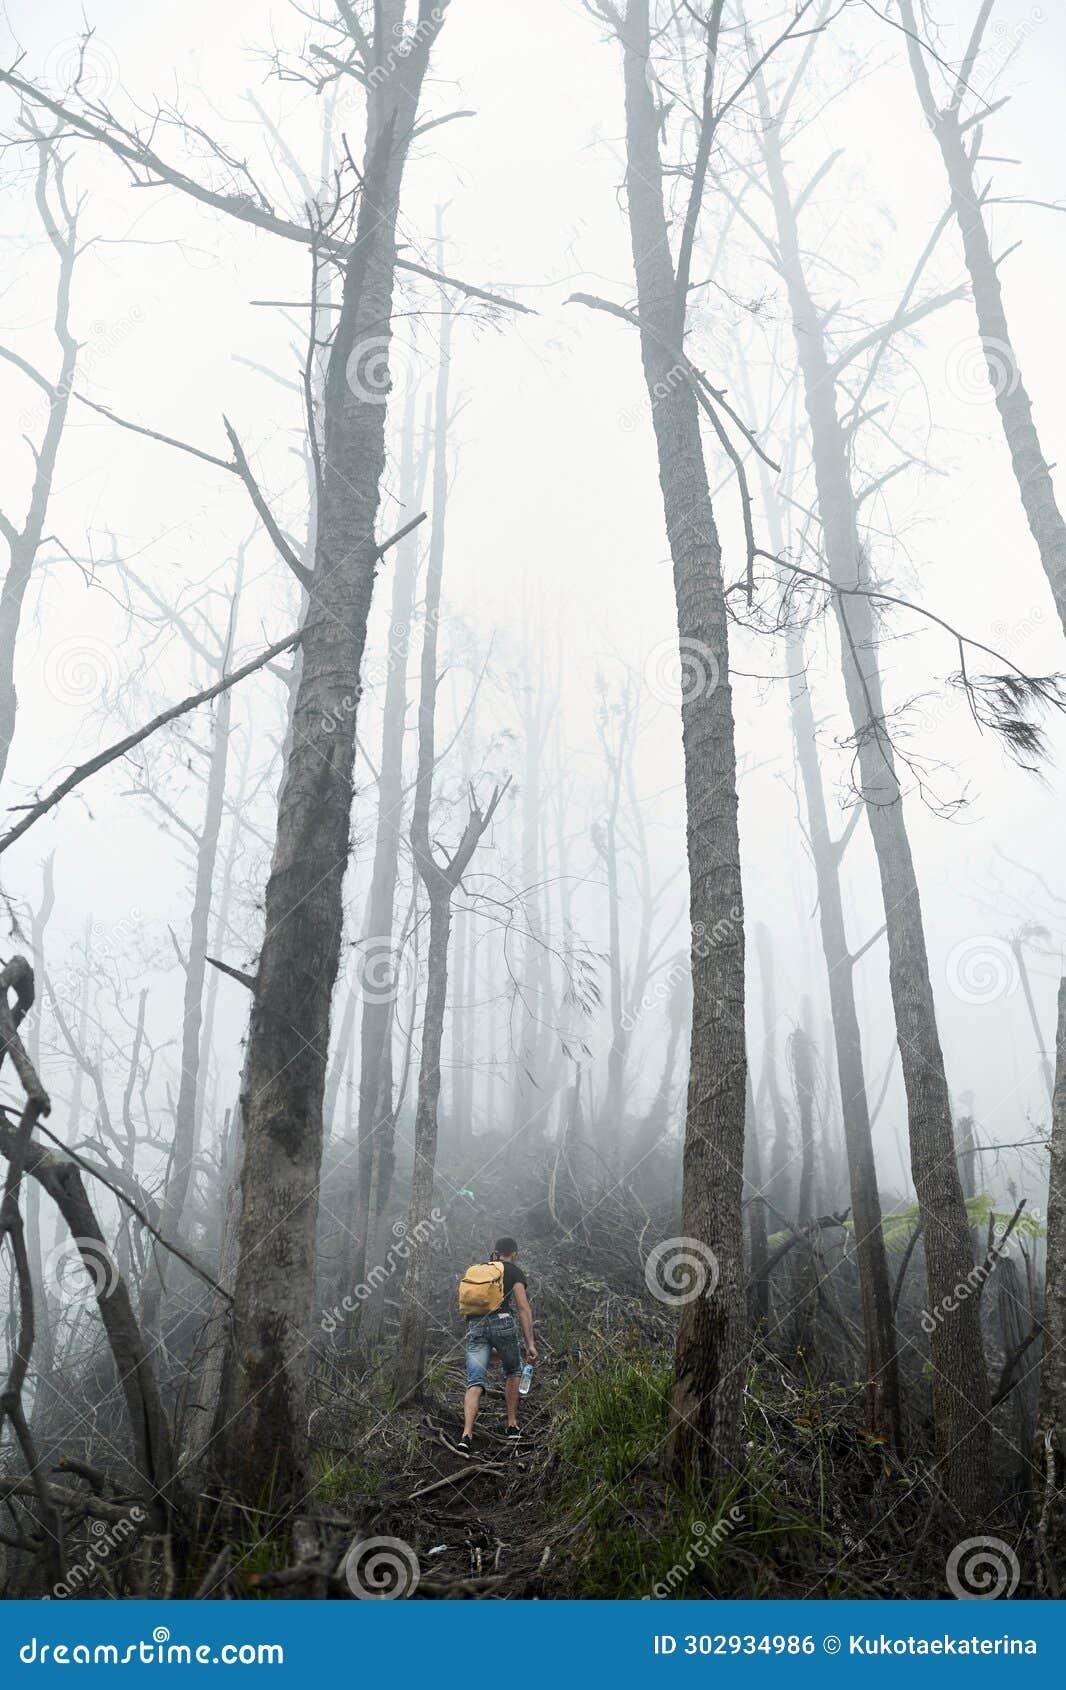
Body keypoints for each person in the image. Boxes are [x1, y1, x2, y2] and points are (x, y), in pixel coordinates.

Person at [458, 1237, 536, 1456]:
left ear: (495, 1252)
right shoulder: (513, 1271)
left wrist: (481, 1338)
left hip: (476, 1325)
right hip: (502, 1322)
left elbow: (470, 1308)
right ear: (514, 1253)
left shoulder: (482, 1270)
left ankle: (466, 1435)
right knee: (512, 1371)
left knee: (474, 1381)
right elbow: (522, 1307)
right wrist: (530, 1343)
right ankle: (512, 1425)